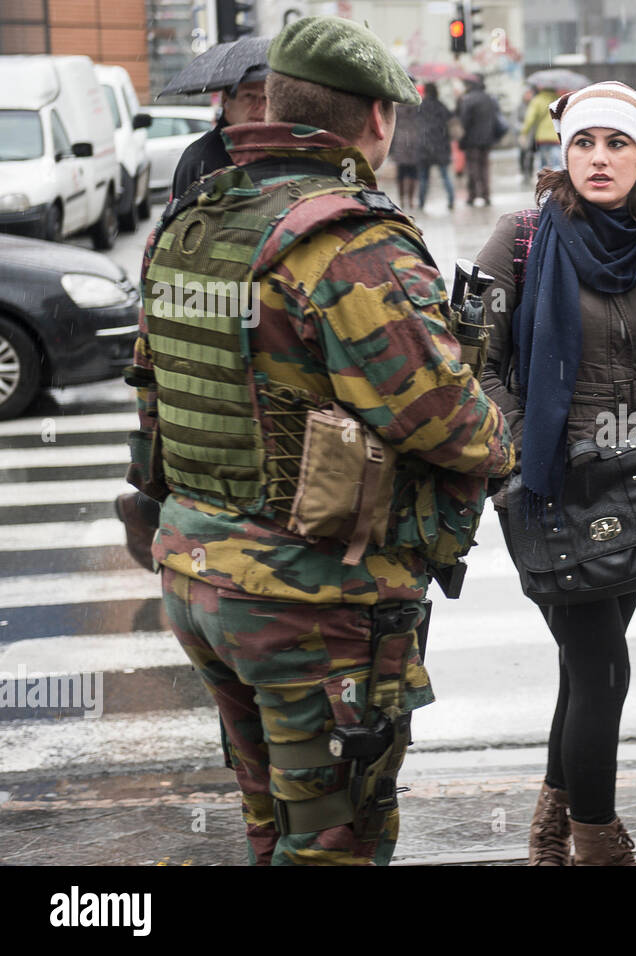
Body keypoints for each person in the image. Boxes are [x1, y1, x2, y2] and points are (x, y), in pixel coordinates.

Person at [124, 15, 515, 866]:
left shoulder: (191, 223)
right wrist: (494, 412)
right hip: (310, 604)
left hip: (200, 574)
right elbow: (455, 430)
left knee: (273, 827)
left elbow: (153, 403)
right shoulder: (346, 242)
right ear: (378, 118)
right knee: (337, 843)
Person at [474, 81, 636, 865]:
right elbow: (474, 366)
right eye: (585, 142)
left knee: (583, 665)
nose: (598, 157)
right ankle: (596, 837)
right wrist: (522, 458)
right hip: (552, 488)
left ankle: (551, 831)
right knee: (602, 666)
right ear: (565, 154)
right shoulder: (519, 237)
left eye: (617, 143)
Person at [116, 62, 271, 569]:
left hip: (237, 311)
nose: (260, 105)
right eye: (249, 95)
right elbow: (180, 243)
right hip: (203, 308)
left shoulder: (273, 151)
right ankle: (147, 509)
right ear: (222, 101)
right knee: (186, 434)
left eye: (268, 95)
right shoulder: (203, 157)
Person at [168, 64, 268, 199]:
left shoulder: (281, 150)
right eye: (249, 96)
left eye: (265, 97)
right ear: (225, 100)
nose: (259, 107)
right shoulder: (200, 159)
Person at [457, 73, 499, 205]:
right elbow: (495, 118)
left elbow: (464, 121)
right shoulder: (489, 98)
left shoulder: (468, 99)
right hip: (487, 139)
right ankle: (486, 195)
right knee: (484, 167)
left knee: (472, 168)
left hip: (472, 140)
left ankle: (473, 195)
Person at [417, 84, 456, 211]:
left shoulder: (421, 107)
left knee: (423, 178)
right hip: (441, 147)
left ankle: (421, 203)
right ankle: (451, 201)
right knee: (445, 176)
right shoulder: (441, 106)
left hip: (424, 147)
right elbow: (451, 119)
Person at [519, 85, 561, 171]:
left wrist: (524, 133)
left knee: (543, 163)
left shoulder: (537, 100)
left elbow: (530, 118)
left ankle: (543, 182)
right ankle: (557, 182)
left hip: (542, 137)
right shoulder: (558, 99)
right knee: (556, 164)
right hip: (556, 136)